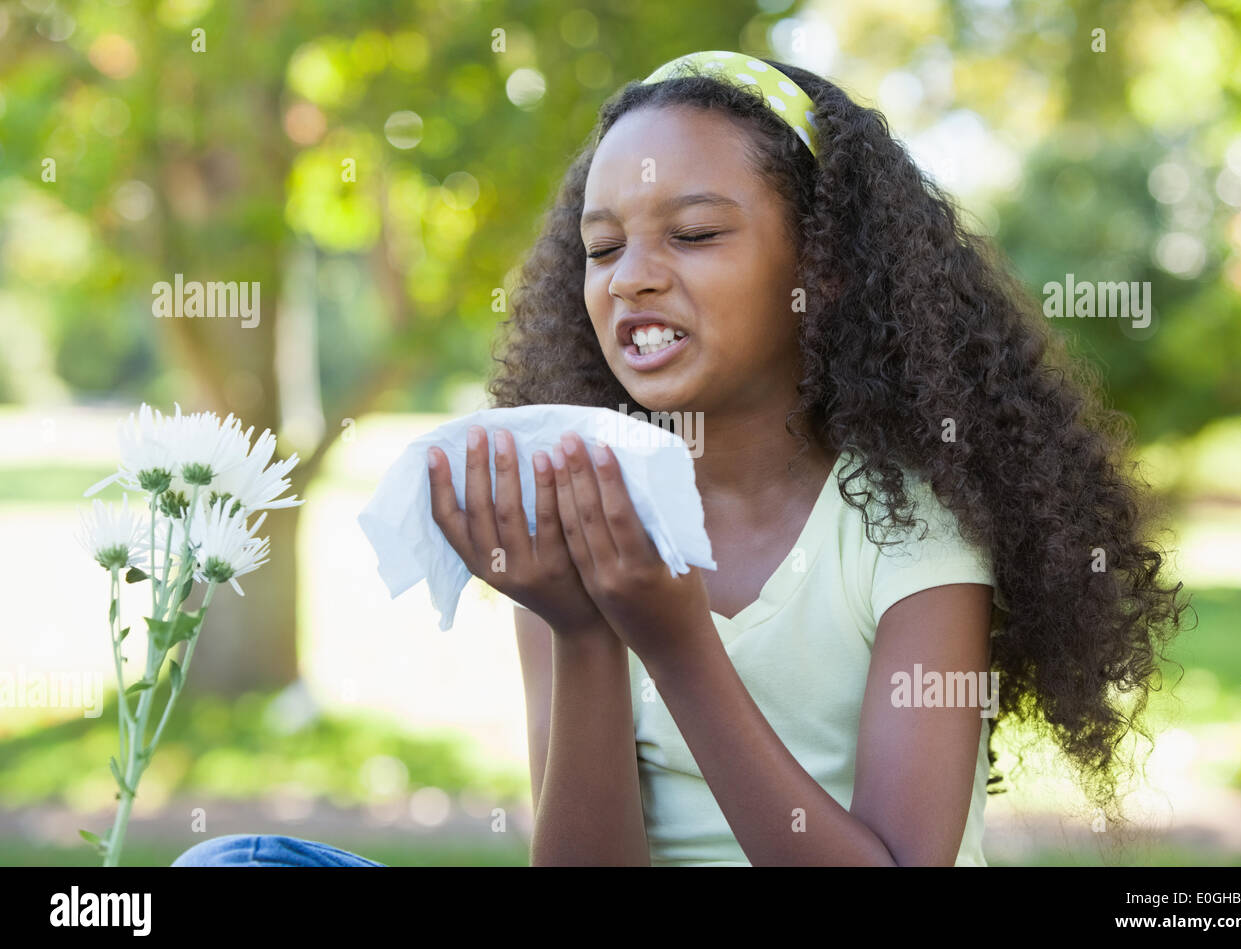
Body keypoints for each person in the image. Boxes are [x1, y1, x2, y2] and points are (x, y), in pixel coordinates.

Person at [175, 48, 1188, 867]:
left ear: (824, 269)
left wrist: (672, 639)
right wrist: (579, 630)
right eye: (603, 246)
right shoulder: (581, 509)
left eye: (694, 233)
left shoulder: (910, 534)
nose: (632, 279)